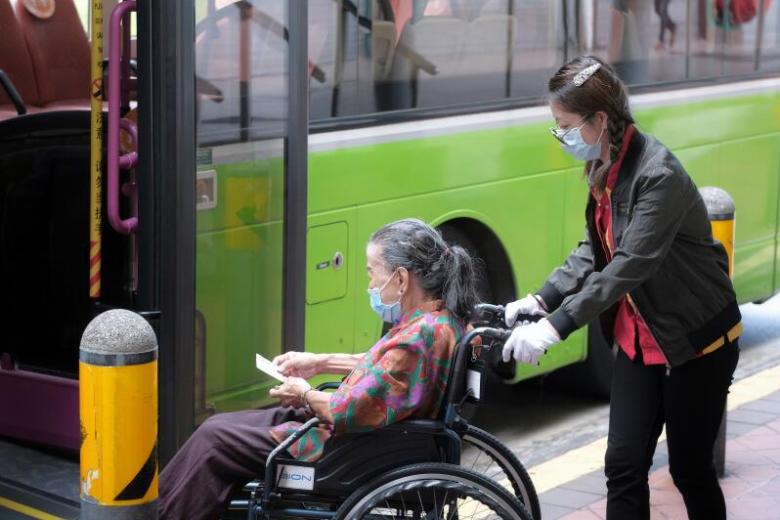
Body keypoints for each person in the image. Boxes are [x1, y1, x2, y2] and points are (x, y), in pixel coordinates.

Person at [502, 56, 741, 520]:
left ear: (600, 120)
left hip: (696, 342)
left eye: (565, 126)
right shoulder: (602, 165)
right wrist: (541, 298)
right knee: (623, 466)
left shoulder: (658, 175)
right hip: (638, 340)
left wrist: (556, 327)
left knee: (691, 469)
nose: (562, 137)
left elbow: (630, 264)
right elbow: (597, 248)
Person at [158, 218, 479, 520]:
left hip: (345, 449)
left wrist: (304, 393)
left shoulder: (418, 336)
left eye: (371, 273)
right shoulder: (438, 321)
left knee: (216, 439)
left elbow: (346, 411)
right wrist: (319, 363)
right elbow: (386, 370)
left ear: (401, 278)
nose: (369, 283)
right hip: (365, 439)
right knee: (222, 427)